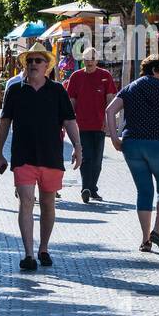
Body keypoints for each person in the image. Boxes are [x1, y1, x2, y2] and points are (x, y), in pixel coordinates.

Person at [0, 42, 81, 271]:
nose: (32, 64)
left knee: (48, 203)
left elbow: (69, 121)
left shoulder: (58, 91)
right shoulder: (14, 90)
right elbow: (4, 123)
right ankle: (29, 254)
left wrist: (78, 147)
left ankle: (44, 248)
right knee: (26, 201)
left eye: (37, 61)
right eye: (29, 61)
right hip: (23, 156)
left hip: (51, 156)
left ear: (46, 66)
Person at [106, 54, 159, 255]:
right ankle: (158, 232)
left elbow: (110, 111)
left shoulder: (131, 87)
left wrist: (115, 138)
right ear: (154, 70)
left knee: (144, 191)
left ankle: (145, 240)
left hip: (132, 144)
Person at [66, 46, 117, 202]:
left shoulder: (105, 76)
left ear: (97, 60)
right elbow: (71, 102)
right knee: (86, 158)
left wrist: (108, 122)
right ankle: (86, 188)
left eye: (92, 58)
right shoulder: (76, 77)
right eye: (87, 58)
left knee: (97, 161)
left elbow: (110, 101)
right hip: (81, 126)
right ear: (83, 59)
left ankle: (92, 188)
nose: (89, 61)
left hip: (99, 125)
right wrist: (68, 121)